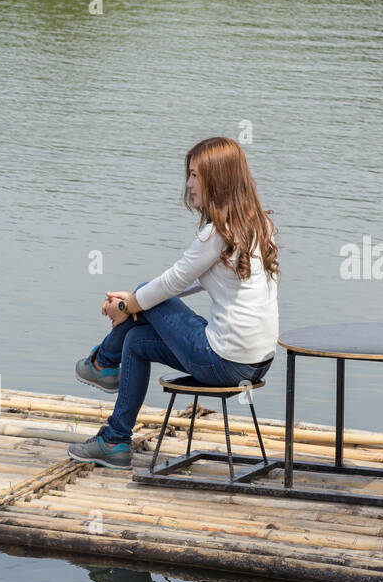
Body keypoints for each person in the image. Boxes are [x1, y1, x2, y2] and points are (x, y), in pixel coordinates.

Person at [68, 136, 280, 469]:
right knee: (137, 341)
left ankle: (103, 362)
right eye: (190, 175)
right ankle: (115, 441)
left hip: (224, 362)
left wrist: (126, 307)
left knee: (146, 294)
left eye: (196, 175)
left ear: (219, 180)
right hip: (257, 362)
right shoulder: (259, 224)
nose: (189, 184)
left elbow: (171, 282)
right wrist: (134, 302)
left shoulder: (216, 233)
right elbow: (192, 280)